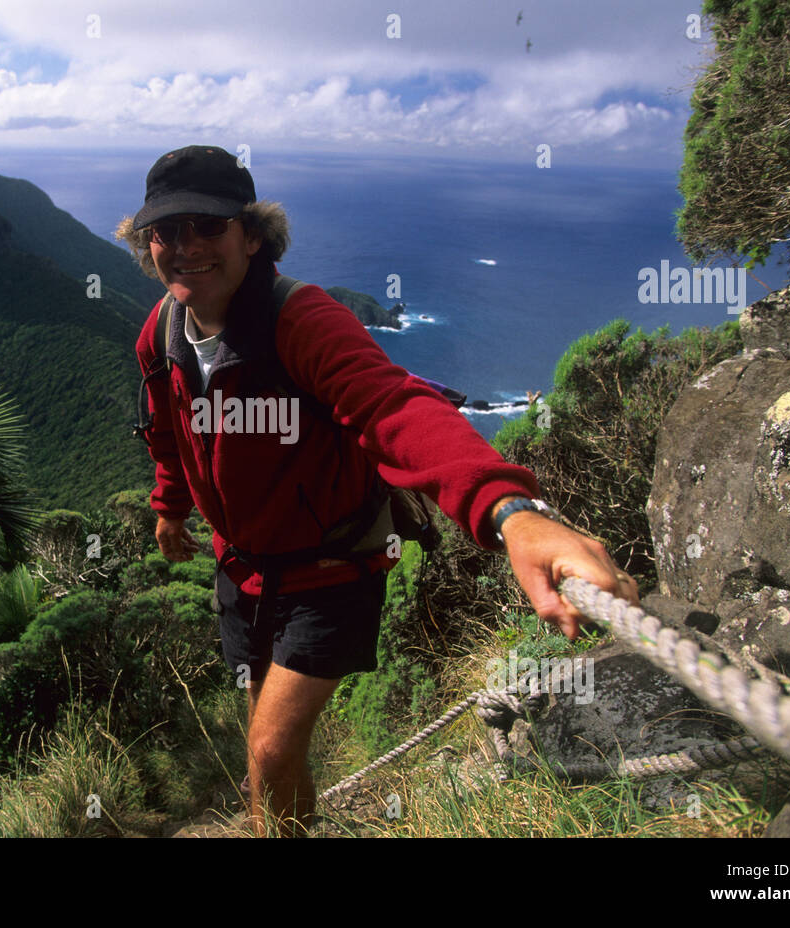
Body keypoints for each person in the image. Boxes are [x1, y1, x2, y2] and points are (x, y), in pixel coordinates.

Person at [117, 145, 640, 836]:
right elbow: (167, 433)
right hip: (242, 570)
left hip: (332, 568)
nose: (184, 247)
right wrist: (169, 508)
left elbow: (390, 409)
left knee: (270, 749)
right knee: (267, 741)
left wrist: (510, 511)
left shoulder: (301, 320)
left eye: (206, 227)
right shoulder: (161, 335)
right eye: (166, 230)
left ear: (250, 233)